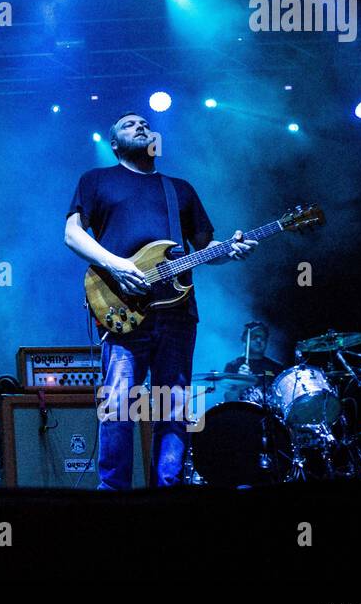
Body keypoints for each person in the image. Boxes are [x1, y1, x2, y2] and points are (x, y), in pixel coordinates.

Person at [64, 112, 256, 488]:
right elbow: (72, 234)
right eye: (127, 124)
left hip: (178, 313)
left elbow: (205, 249)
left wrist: (231, 250)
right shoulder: (97, 180)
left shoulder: (178, 189)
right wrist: (116, 266)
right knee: (119, 405)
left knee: (173, 406)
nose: (140, 125)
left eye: (143, 122)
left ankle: (166, 493)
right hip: (123, 309)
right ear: (114, 142)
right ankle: (113, 494)